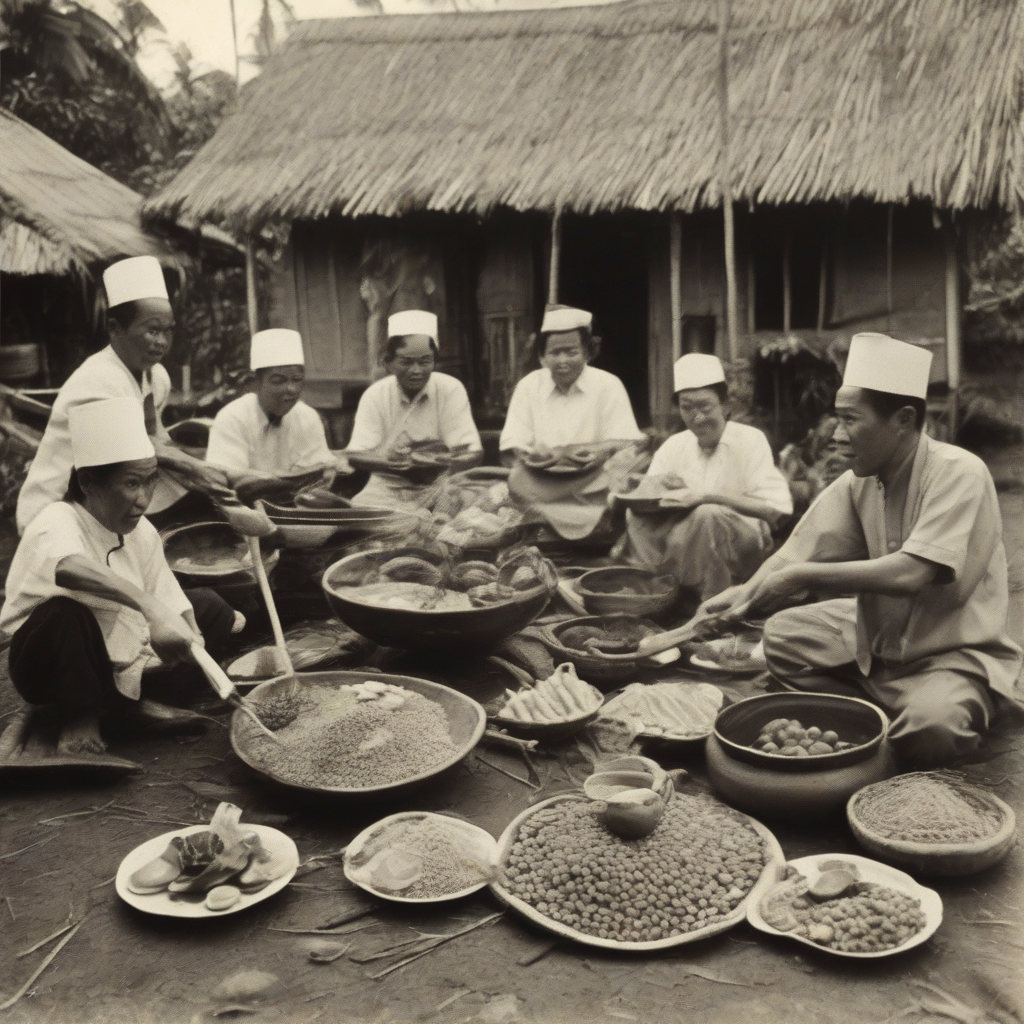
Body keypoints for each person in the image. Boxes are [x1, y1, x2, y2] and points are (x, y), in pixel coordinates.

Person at [701, 333, 1023, 766]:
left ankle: (917, 712)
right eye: (837, 419)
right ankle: (881, 718)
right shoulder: (860, 481)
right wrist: (741, 598)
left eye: (850, 420)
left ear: (904, 420)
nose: (837, 435)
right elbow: (794, 552)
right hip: (875, 638)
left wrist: (799, 579)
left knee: (933, 729)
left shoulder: (960, 471)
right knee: (780, 640)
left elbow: (910, 573)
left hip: (949, 651)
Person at [0, 399, 242, 756]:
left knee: (211, 607)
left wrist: (193, 636)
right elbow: (67, 566)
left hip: (121, 657)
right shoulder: (57, 519)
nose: (144, 499)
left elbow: (168, 592)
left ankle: (125, 708)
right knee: (64, 615)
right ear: (87, 482)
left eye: (150, 482)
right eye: (131, 484)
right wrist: (149, 607)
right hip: (51, 667)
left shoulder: (140, 530)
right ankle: (80, 716)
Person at [16, 256, 234, 534]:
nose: (162, 342)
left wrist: (207, 472)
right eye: (152, 330)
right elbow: (138, 449)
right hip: (57, 510)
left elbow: (156, 437)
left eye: (168, 331)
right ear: (114, 328)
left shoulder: (157, 377)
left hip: (105, 501)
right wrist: (201, 471)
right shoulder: (97, 380)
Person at [619, 353, 792, 598]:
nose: (697, 417)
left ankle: (710, 598)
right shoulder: (674, 445)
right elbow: (647, 497)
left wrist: (707, 496)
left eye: (705, 406)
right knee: (636, 517)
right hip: (682, 538)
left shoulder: (750, 440)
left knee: (706, 514)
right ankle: (654, 589)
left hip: (742, 542)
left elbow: (775, 512)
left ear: (725, 406)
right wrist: (657, 486)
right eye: (687, 407)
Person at [499, 305, 647, 541]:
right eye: (554, 353)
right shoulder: (528, 386)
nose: (562, 361)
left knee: (621, 480)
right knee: (516, 479)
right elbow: (512, 448)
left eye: (571, 352)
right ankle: (559, 515)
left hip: (593, 480)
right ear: (542, 356)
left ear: (587, 353)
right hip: (543, 481)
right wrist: (537, 455)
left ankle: (558, 517)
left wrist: (597, 451)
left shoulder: (608, 385)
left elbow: (629, 445)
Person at [345, 310, 482, 510]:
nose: (416, 370)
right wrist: (394, 464)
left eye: (425, 361)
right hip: (386, 489)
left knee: (469, 509)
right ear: (388, 363)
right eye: (406, 362)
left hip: (441, 485)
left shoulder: (450, 389)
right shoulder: (375, 395)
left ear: (434, 361)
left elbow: (472, 452)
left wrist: (441, 464)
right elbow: (356, 454)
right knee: (361, 516)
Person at [206, 329, 338, 487]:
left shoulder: (307, 416)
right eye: (278, 381)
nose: (291, 389)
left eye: (297, 380)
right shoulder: (233, 417)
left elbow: (322, 473)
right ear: (256, 382)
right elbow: (228, 478)